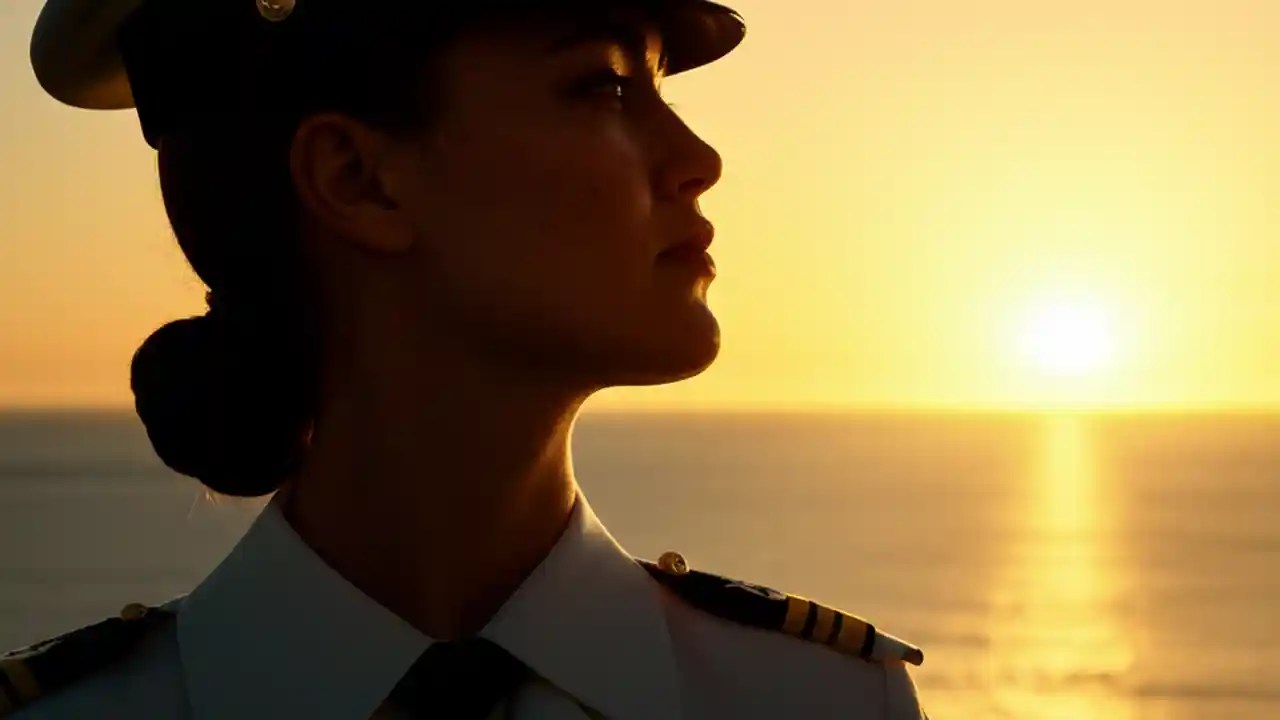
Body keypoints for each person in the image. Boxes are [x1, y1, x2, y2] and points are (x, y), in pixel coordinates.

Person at [3, 0, 929, 717]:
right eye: (604, 87)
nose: (699, 157)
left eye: (664, 94)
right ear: (356, 180)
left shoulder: (833, 704)